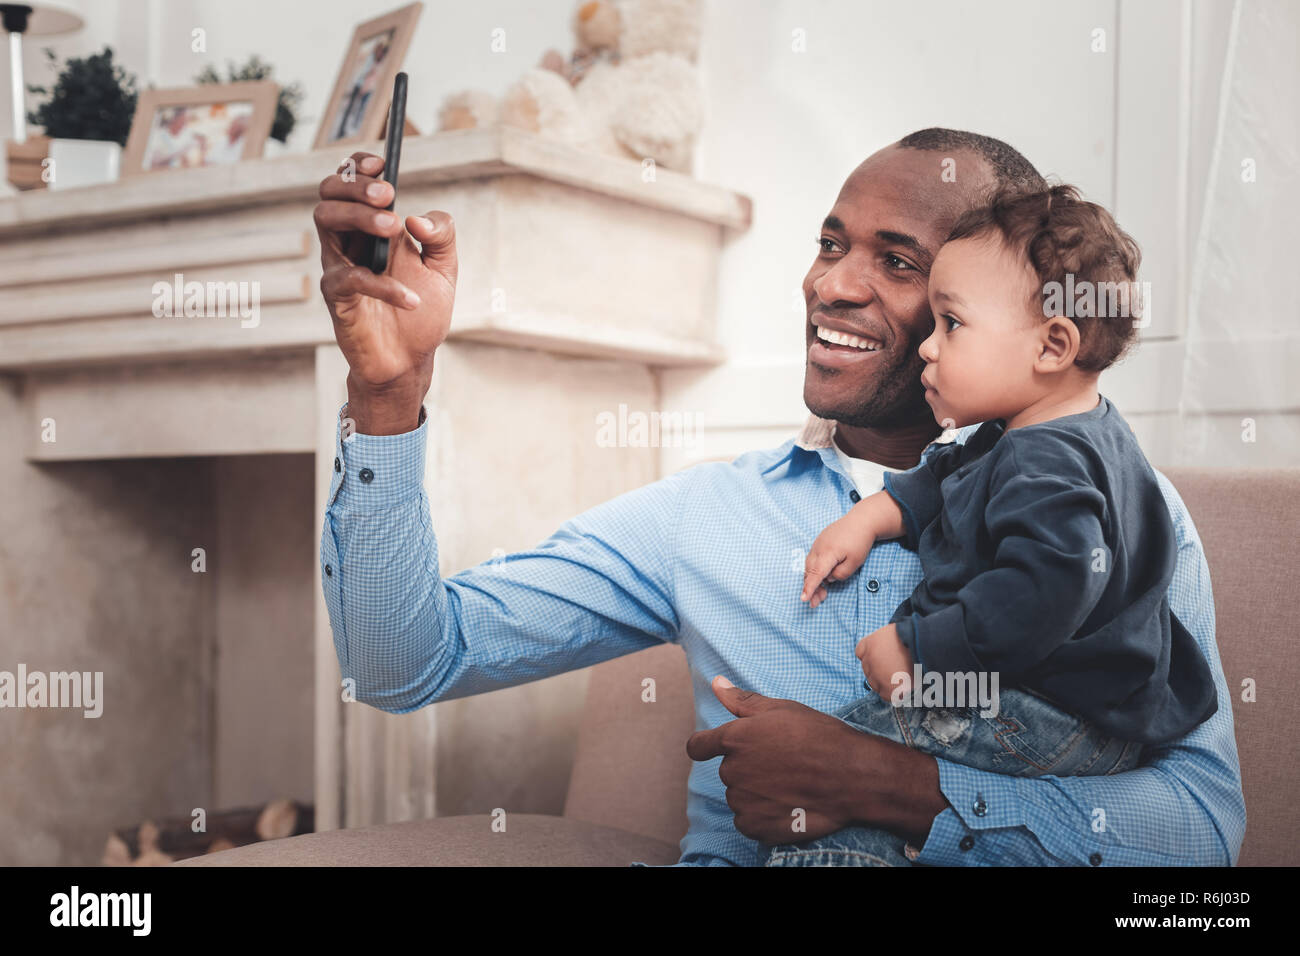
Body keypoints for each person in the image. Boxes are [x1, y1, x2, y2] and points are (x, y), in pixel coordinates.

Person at [311, 127, 1245, 866]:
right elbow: (402, 666)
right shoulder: (704, 518)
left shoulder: (1124, 514)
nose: (830, 285)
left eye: (898, 262)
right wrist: (389, 394)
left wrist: (888, 784)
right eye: (831, 244)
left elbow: (1200, 836)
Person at [765, 183, 1218, 866]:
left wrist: (917, 649)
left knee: (843, 752)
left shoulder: (1049, 465)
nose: (928, 348)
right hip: (1091, 714)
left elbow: (1041, 593)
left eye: (952, 324)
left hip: (1057, 713)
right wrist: (874, 515)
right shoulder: (1061, 429)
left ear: (1051, 345)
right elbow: (952, 480)